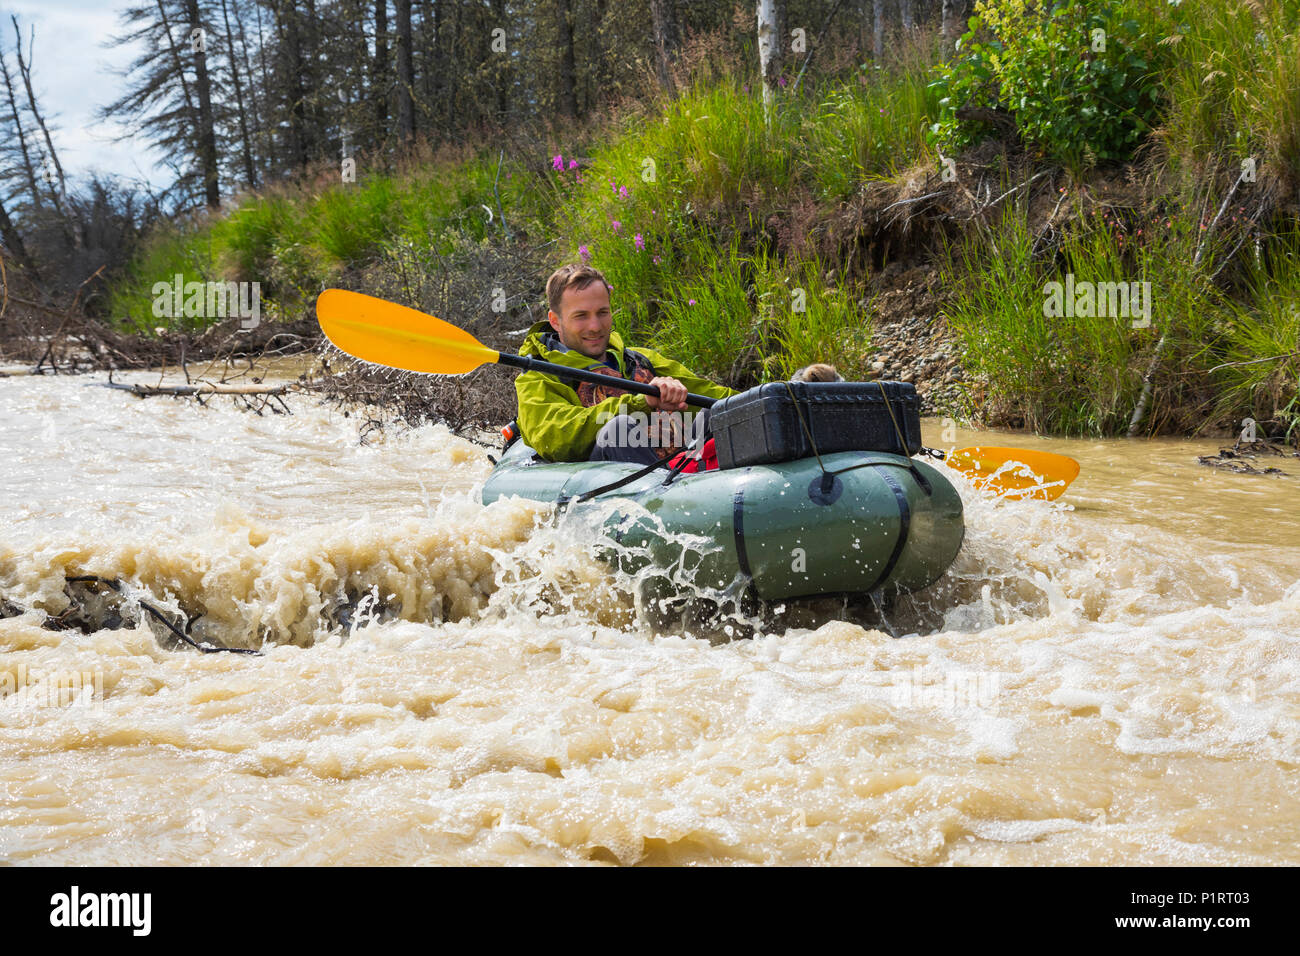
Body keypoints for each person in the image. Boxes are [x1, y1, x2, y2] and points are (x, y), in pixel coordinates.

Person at [513, 264, 735, 463]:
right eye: (581, 316)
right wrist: (641, 403)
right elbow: (556, 438)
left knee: (716, 413)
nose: (595, 326)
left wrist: (761, 398)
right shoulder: (537, 376)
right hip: (607, 478)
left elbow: (714, 395)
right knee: (619, 431)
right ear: (555, 321)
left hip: (678, 470)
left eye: (602, 313)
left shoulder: (641, 359)